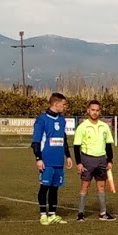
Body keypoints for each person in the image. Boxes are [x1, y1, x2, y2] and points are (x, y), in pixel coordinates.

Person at [72, 100, 118, 221]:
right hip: (87, 159)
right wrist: (79, 163)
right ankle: (80, 213)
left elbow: (108, 145)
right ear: (88, 110)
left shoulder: (104, 127)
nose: (95, 112)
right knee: (85, 186)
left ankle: (103, 213)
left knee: (101, 186)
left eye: (97, 110)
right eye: (93, 110)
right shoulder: (82, 127)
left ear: (100, 111)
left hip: (102, 159)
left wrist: (110, 160)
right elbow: (76, 146)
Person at [32, 92, 71, 225]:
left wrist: (68, 156)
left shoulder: (62, 119)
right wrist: (38, 158)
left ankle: (53, 214)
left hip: (58, 161)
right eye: (64, 104)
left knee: (55, 188)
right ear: (56, 103)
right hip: (46, 161)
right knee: (45, 187)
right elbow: (36, 142)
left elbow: (63, 139)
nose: (65, 106)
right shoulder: (42, 119)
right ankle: (43, 215)